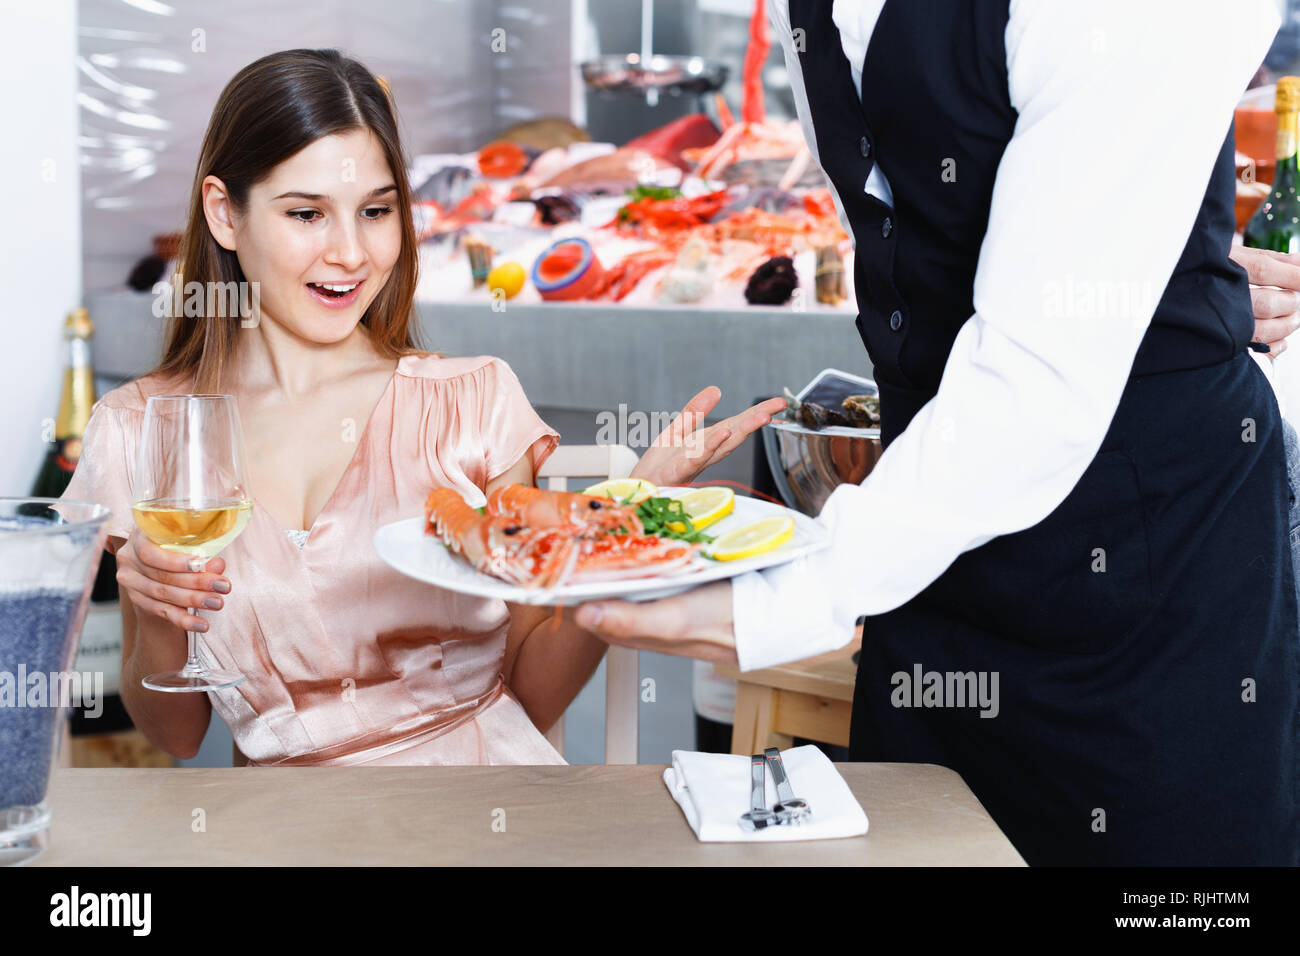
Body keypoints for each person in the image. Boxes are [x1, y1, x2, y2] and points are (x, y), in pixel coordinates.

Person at [575, 0, 1300, 865]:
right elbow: (905, 213)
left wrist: (783, 601)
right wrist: (1109, 258)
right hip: (934, 548)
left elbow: (1038, 382)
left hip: (1146, 571)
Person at [61, 48, 781, 766]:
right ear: (225, 214)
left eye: (376, 211)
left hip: (480, 806)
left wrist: (628, 510)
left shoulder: (473, 398)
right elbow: (175, 734)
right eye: (308, 213)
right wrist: (158, 615)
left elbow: (533, 693)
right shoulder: (141, 430)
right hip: (281, 828)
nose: (350, 253)